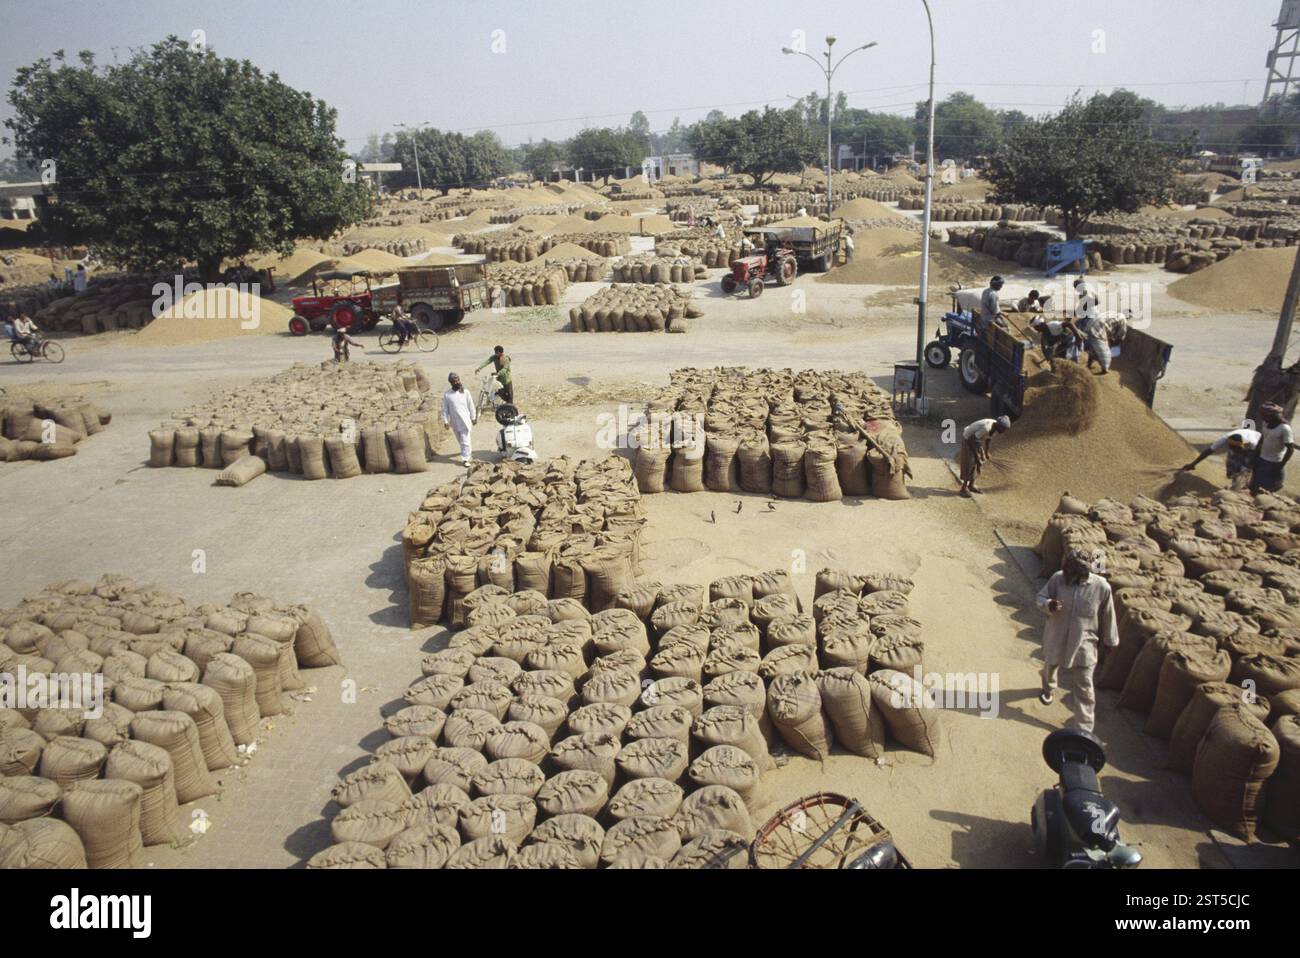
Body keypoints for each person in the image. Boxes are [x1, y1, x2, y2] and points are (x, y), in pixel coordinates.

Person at [1036, 549, 1119, 734]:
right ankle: (1048, 688)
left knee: (1085, 688)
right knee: (1051, 666)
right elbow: (1040, 597)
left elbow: (1108, 615)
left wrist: (1110, 641)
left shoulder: (1101, 587)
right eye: (1068, 572)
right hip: (1057, 636)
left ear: (1085, 572)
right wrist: (1048, 604)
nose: (1069, 577)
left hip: (1084, 644)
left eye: (1074, 574)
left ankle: (1084, 728)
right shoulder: (1058, 578)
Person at [1180, 427, 1261, 489]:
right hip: (1243, 441)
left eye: (1236, 448)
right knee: (1232, 464)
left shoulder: (1253, 442)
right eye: (1232, 447)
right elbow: (1209, 451)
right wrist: (1193, 464)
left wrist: (1247, 468)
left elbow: (1256, 457)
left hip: (1258, 446)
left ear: (1241, 446)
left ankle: (1247, 485)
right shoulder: (1225, 439)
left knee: (1246, 467)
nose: (1234, 450)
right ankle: (1235, 483)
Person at [957, 415, 1010, 497]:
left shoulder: (994, 426)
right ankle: (963, 489)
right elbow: (971, 440)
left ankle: (971, 485)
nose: (1003, 431)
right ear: (998, 425)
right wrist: (976, 456)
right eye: (1003, 429)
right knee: (970, 463)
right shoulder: (986, 428)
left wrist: (986, 452)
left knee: (976, 464)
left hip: (976, 440)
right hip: (968, 439)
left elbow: (989, 438)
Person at [1251, 402, 1297, 493]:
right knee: (1255, 486)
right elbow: (1262, 438)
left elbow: (1290, 449)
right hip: (1262, 459)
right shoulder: (1266, 423)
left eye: (1264, 416)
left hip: (1275, 462)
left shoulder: (1284, 428)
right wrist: (1255, 455)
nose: (1262, 418)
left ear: (1272, 416)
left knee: (1269, 488)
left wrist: (1281, 466)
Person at [441, 372, 478, 466]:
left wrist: (473, 417)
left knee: (465, 440)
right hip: (455, 423)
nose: (457, 382)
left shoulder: (466, 392)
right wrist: (445, 421)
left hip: (465, 421)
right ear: (451, 383)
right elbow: (445, 409)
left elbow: (471, 406)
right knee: (461, 441)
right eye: (455, 381)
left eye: (458, 380)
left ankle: (466, 459)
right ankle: (467, 453)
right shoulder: (447, 395)